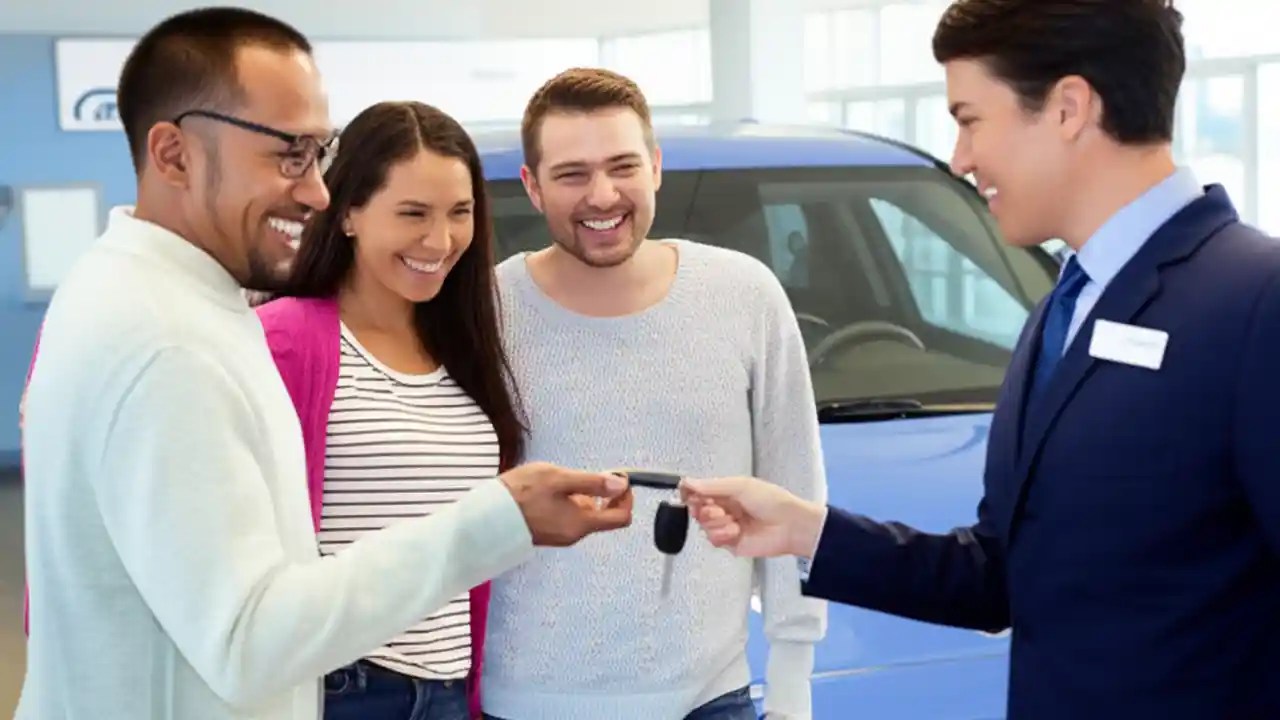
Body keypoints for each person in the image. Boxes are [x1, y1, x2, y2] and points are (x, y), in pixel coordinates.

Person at [16, 10, 632, 720]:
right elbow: (248, 639)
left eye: (319, 154)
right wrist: (496, 521)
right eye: (289, 154)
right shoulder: (169, 342)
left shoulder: (143, 296)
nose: (314, 190)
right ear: (175, 154)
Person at [680, 1, 1280, 718]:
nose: (962, 158)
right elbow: (1000, 575)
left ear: (1068, 107)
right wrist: (807, 531)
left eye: (969, 119)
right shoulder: (1064, 308)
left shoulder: (1258, 302)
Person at [478, 68, 828, 720]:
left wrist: (791, 683)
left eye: (622, 166)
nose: (603, 194)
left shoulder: (743, 296)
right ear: (531, 186)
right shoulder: (486, 314)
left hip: (709, 700)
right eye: (572, 174)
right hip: (525, 703)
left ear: (656, 166)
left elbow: (794, 486)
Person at [253, 100, 526, 720]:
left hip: (452, 687)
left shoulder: (468, 345)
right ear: (348, 212)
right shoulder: (281, 341)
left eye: (460, 213)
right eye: (413, 214)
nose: (441, 240)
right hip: (341, 687)